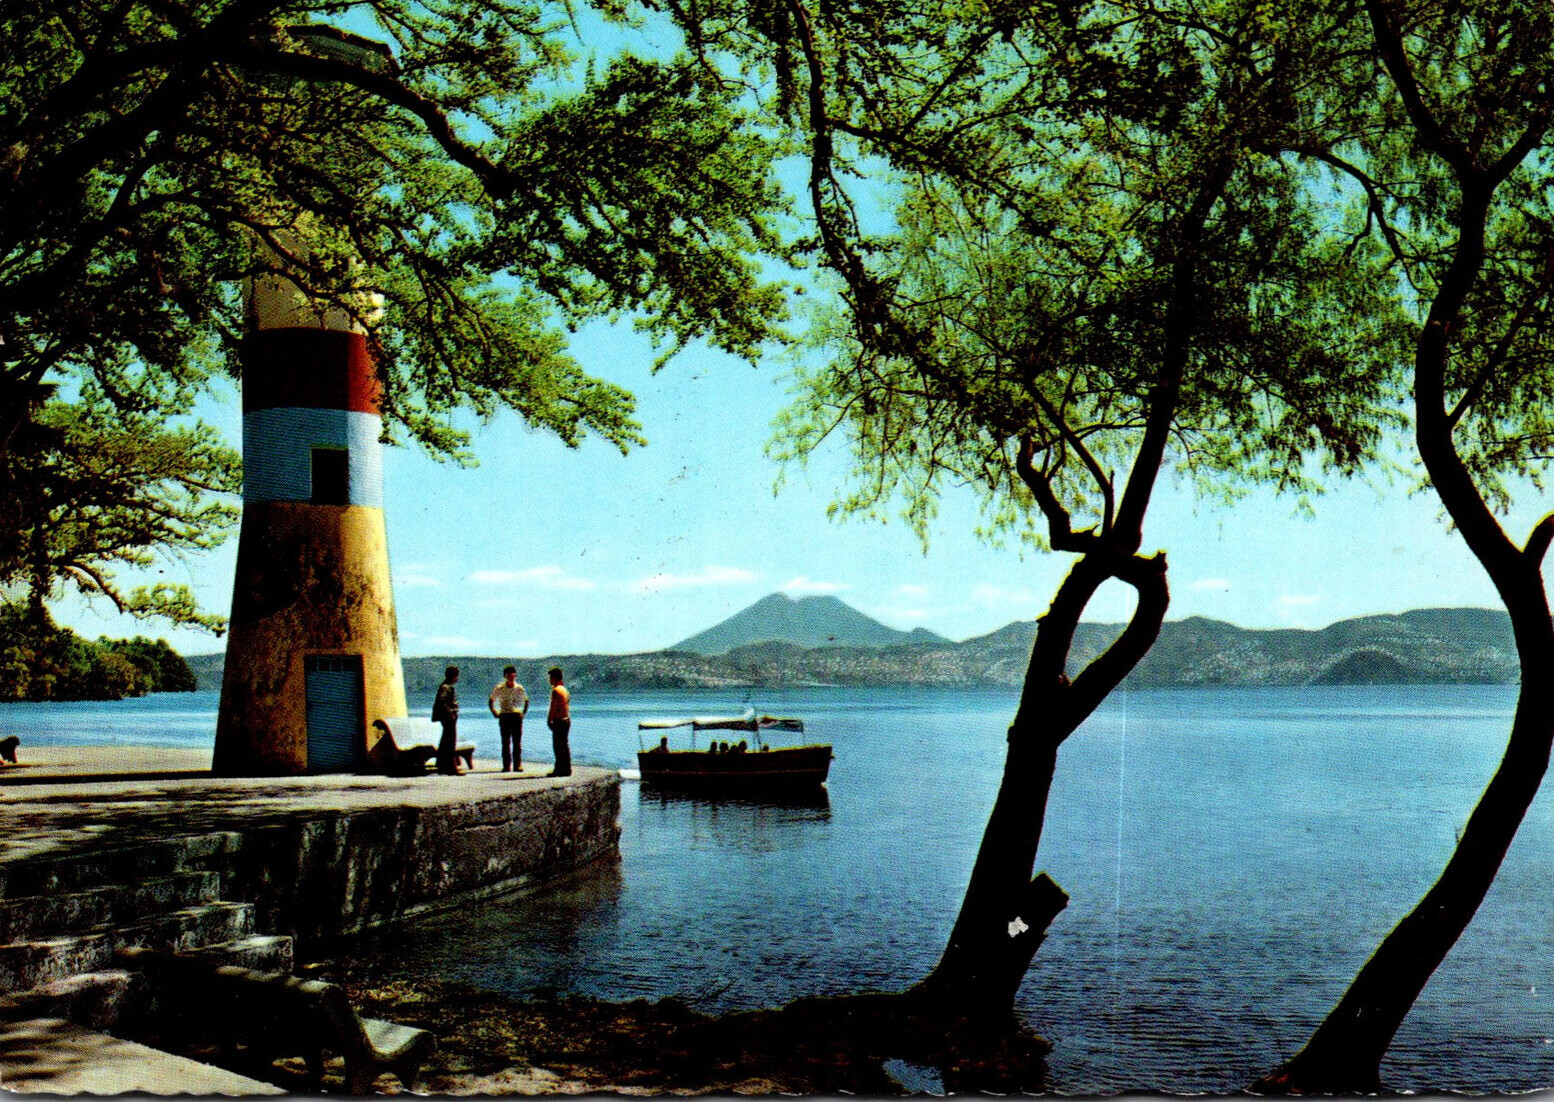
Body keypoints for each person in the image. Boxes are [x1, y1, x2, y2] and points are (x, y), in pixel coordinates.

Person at [489, 665, 529, 772]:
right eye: (508, 675)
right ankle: (506, 765)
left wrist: (523, 713)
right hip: (505, 715)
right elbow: (491, 701)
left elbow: (526, 700)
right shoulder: (499, 688)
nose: (511, 677)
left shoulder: (519, 688)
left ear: (515, 675)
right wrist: (494, 712)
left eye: (513, 675)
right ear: (505, 676)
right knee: (505, 742)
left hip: (516, 715)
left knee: (517, 742)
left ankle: (517, 765)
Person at [432, 665, 462, 775]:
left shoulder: (446, 686)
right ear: (453, 676)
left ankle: (442, 766)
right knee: (450, 742)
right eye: (456, 676)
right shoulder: (446, 687)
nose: (457, 678)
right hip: (448, 718)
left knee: (445, 741)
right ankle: (451, 768)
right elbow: (442, 701)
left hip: (448, 717)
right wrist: (450, 713)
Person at [546, 666, 571, 777]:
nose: (549, 680)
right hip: (566, 720)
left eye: (551, 678)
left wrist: (549, 720)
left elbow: (553, 707)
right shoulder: (565, 690)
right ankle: (567, 768)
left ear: (555, 678)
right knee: (564, 745)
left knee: (558, 746)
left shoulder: (556, 691)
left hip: (559, 721)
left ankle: (559, 769)